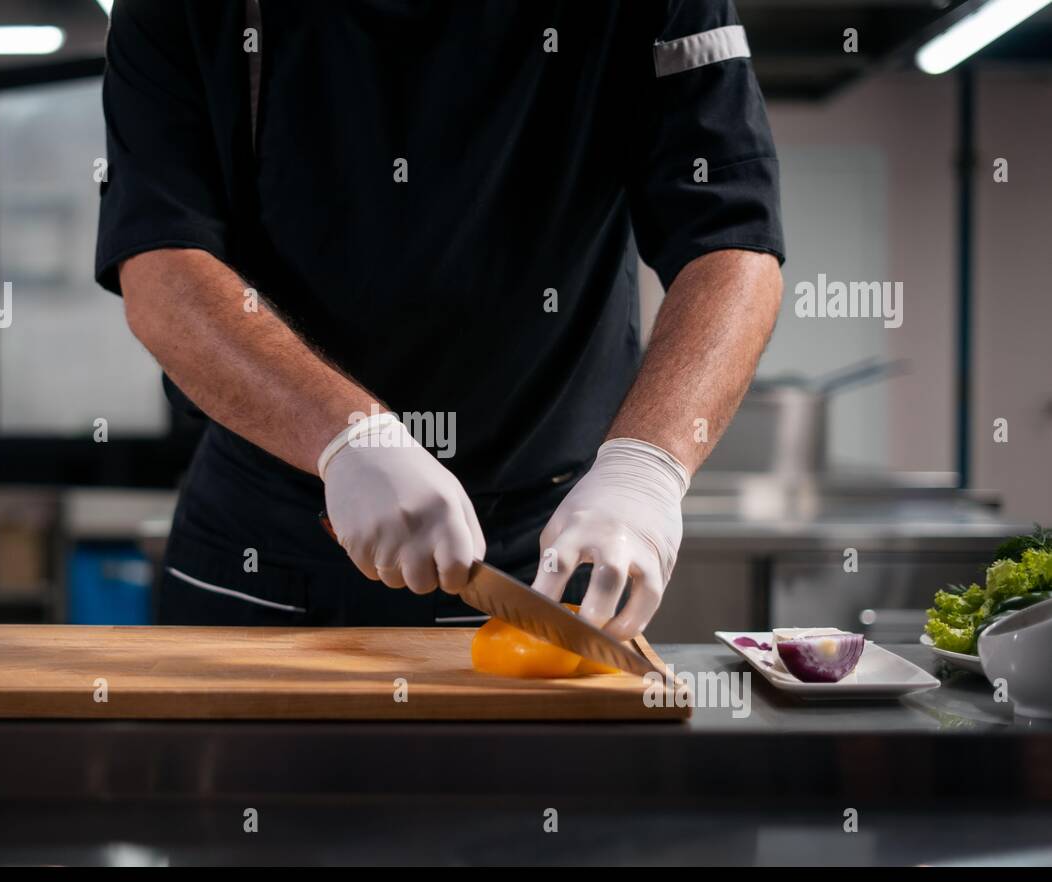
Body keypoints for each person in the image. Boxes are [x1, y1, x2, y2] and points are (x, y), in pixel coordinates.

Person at [96, 0, 784, 635]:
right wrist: (346, 440)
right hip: (265, 546)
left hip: (546, 553)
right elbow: (162, 271)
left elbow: (731, 244)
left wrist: (645, 466)